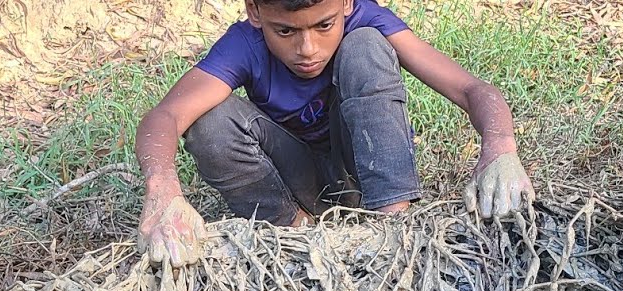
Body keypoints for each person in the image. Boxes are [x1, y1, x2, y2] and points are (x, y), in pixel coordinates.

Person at [133, 0, 536, 267]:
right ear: (254, 11)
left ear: (345, 2)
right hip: (296, 184)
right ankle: (293, 239)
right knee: (209, 122)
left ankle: (395, 229)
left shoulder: (365, 18)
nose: (308, 48)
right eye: (285, 32)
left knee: (365, 46)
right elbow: (165, 116)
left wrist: (500, 149)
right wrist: (163, 190)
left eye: (324, 25)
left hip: (362, 168)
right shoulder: (244, 44)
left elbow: (470, 89)